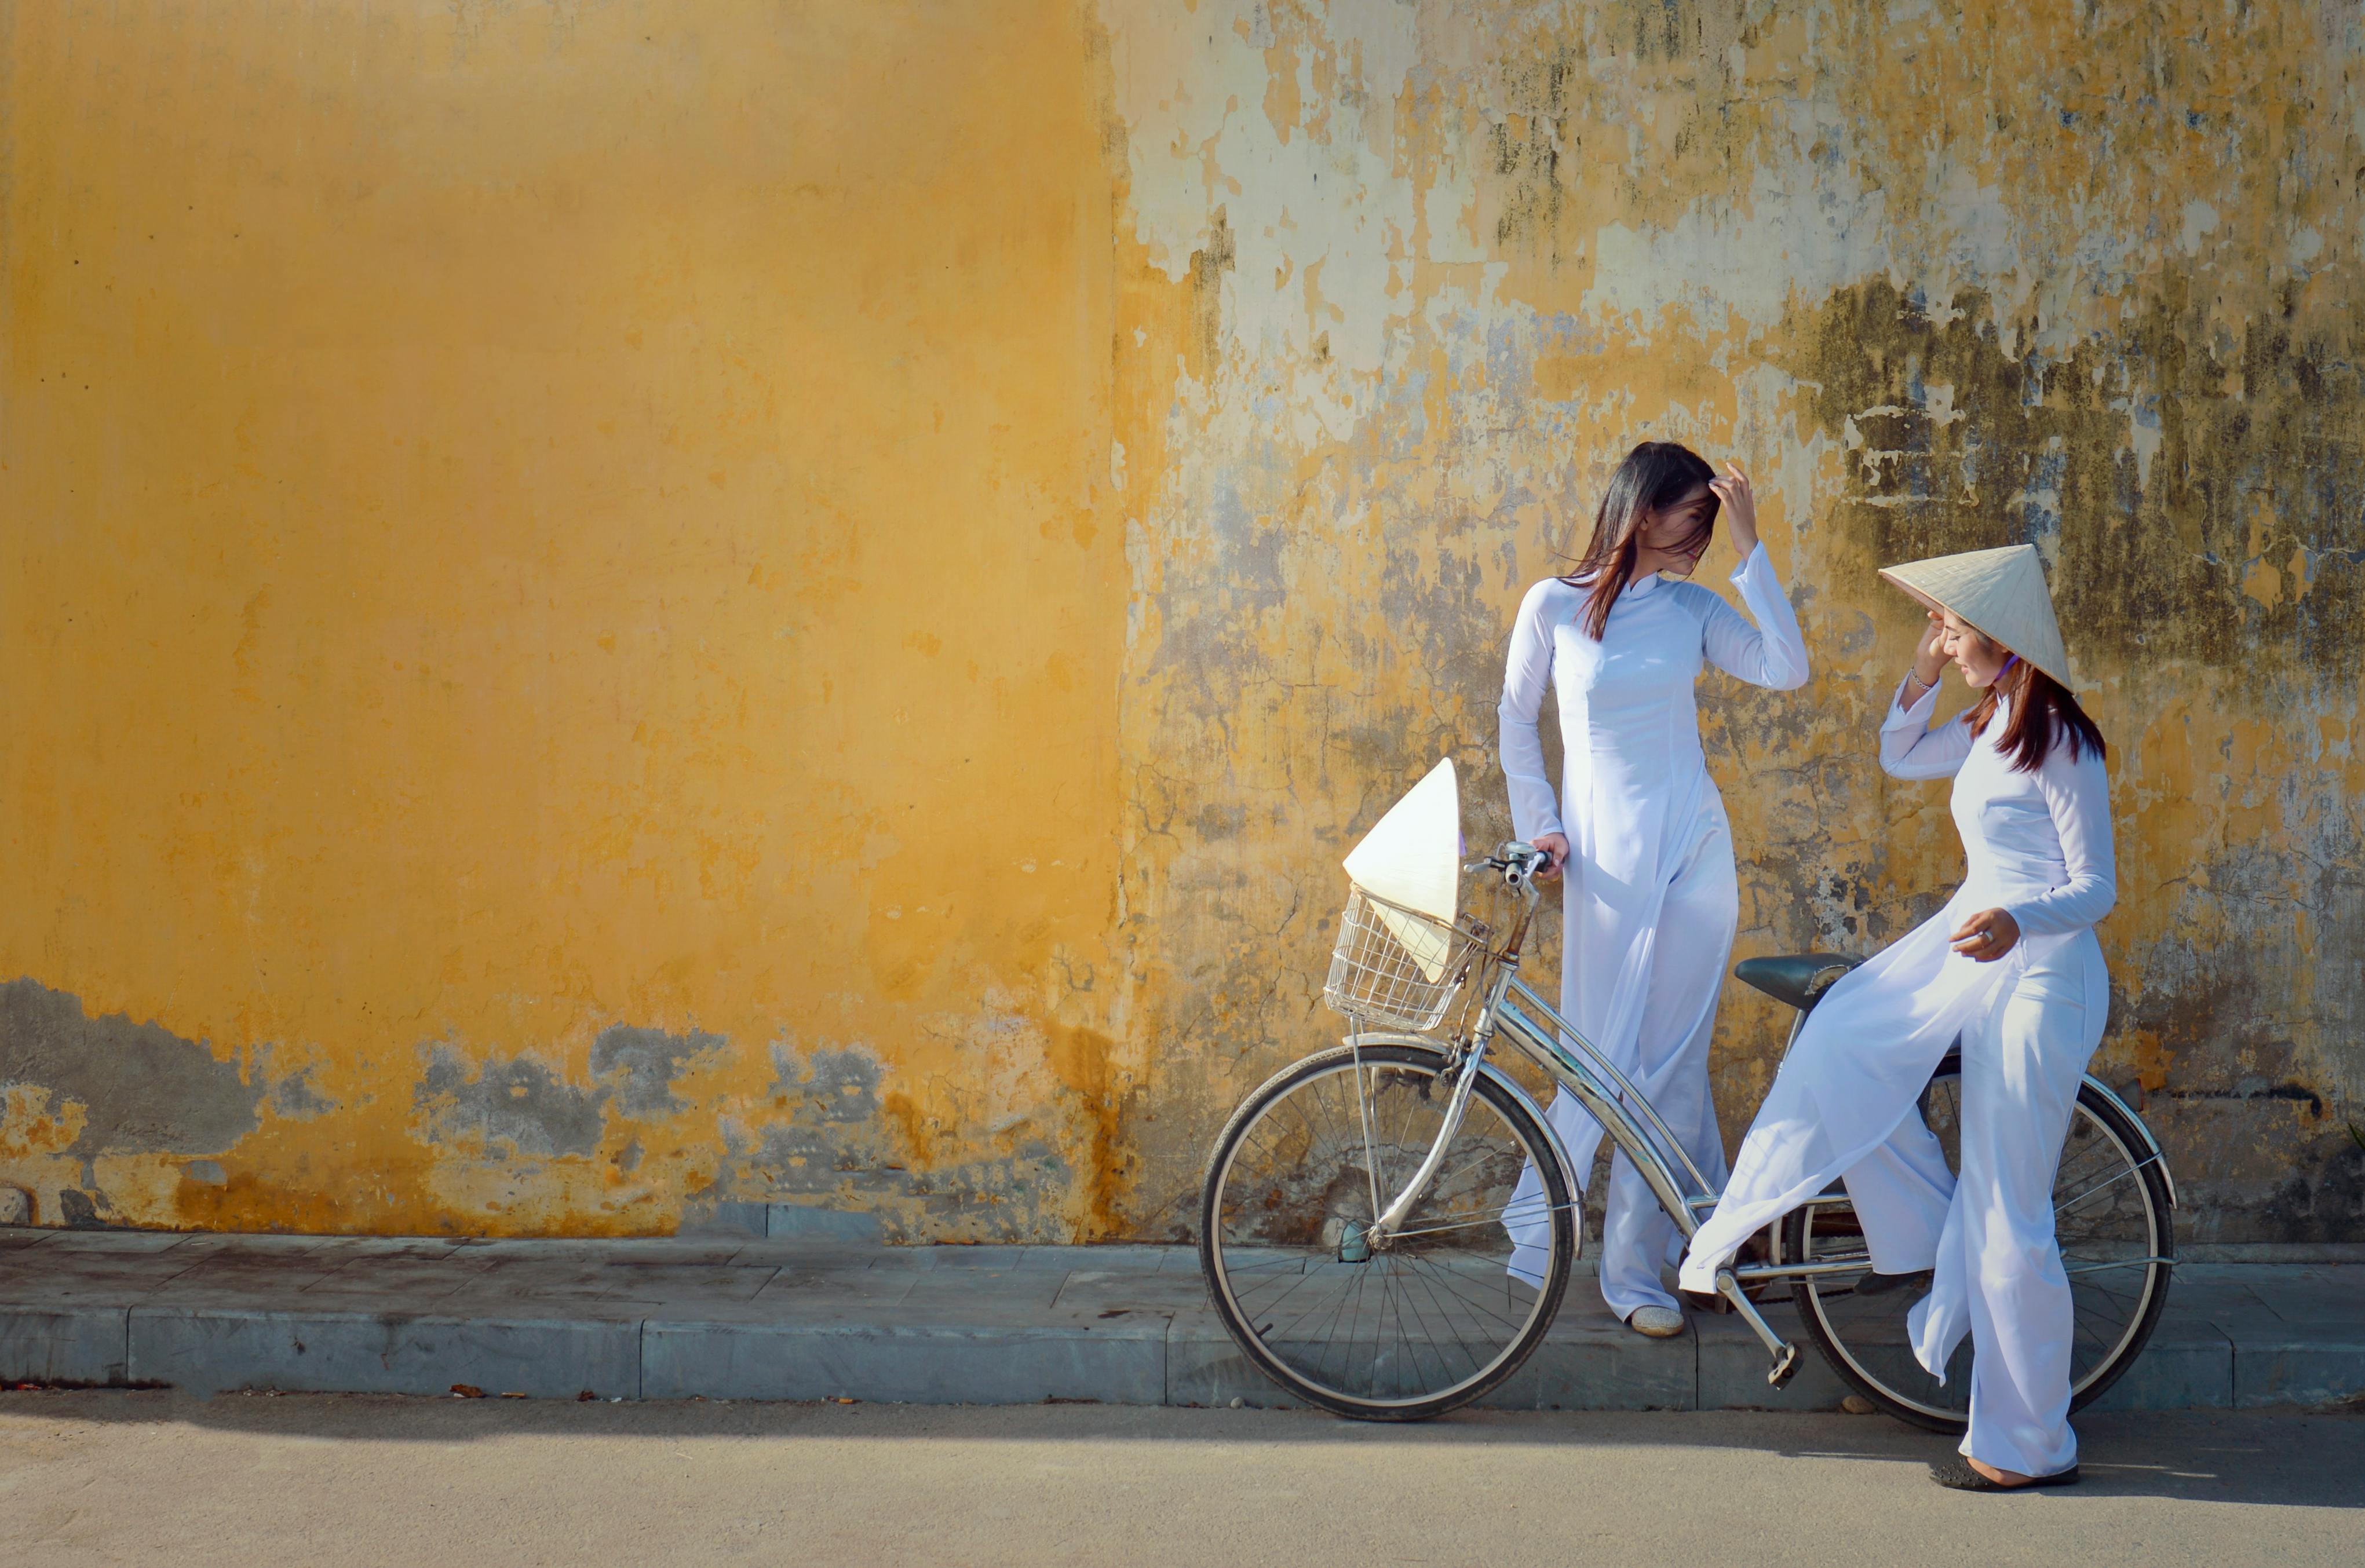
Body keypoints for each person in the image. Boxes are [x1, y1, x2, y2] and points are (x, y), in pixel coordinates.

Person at [1678, 543, 2114, 1492]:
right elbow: (1897, 751)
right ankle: (1929, 1231)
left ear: (2004, 641)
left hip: (2040, 977)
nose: (1942, 638)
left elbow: (2094, 887)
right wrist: (1917, 675)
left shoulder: (2060, 739)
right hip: (1976, 953)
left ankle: (2026, 1443)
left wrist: (2016, 919)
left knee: (2011, 1214)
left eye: (1952, 628)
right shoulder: (1990, 718)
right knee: (1839, 1038)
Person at [1497, 441, 1810, 1337]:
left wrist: (1752, 551)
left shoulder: (1693, 610)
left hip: (1694, 846)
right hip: (1604, 857)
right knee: (1604, 1055)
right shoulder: (1551, 608)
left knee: (1671, 1055)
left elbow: (1785, 669)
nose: (1702, 540)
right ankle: (1706, 1229)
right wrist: (1541, 827)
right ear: (1641, 512)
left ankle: (1636, 1272)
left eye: (1714, 527)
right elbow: (1517, 722)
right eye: (1695, 521)